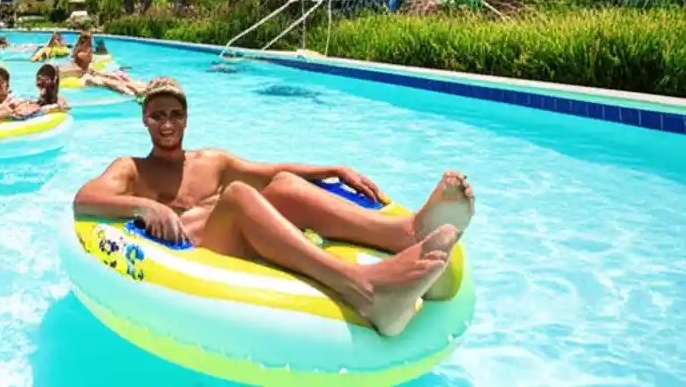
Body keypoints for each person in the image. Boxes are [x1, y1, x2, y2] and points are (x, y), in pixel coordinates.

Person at [72, 77, 475, 338]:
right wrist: (145, 206)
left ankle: (405, 233)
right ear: (144, 119)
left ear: (186, 120)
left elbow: (271, 171)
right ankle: (364, 289)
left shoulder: (212, 161)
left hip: (237, 234)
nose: (167, 123)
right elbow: (85, 199)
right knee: (238, 196)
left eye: (175, 115)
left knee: (281, 185)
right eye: (158, 115)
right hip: (196, 249)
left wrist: (334, 168)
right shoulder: (131, 168)